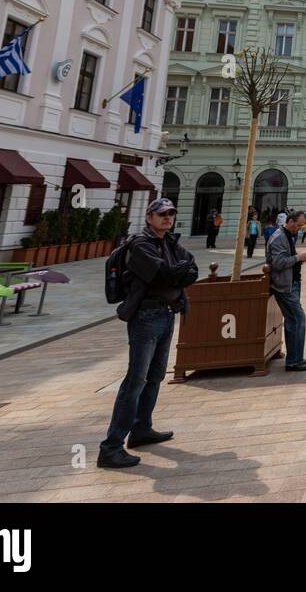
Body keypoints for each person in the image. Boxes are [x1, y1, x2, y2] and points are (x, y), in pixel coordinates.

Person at [99, 198, 199, 469]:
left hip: (166, 314)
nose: (168, 218)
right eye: (162, 214)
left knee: (155, 376)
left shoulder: (168, 243)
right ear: (149, 217)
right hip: (145, 316)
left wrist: (178, 271)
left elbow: (191, 268)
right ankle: (110, 447)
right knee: (135, 380)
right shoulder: (140, 245)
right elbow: (163, 273)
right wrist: (178, 271)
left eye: (171, 214)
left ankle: (142, 428)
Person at [266, 210, 306, 373]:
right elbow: (278, 263)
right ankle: (294, 361)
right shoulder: (279, 237)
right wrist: (299, 258)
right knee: (298, 319)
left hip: (290, 283)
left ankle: (294, 360)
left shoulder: (286, 235)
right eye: (298, 225)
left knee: (292, 322)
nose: (299, 229)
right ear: (291, 221)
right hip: (284, 286)